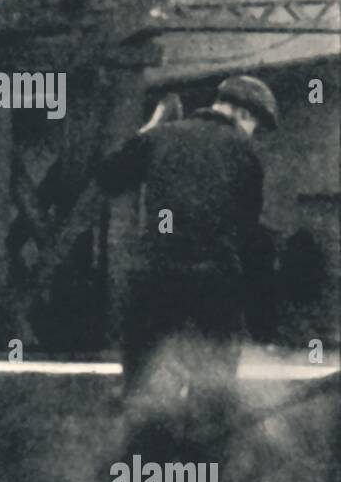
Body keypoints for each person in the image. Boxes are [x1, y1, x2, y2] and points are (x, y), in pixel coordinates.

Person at [96, 75, 278, 409]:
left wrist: (150, 127)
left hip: (154, 278)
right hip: (213, 283)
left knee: (141, 390)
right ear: (245, 115)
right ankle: (207, 450)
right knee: (214, 393)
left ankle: (135, 445)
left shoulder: (160, 137)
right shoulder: (246, 152)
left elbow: (109, 176)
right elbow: (246, 232)